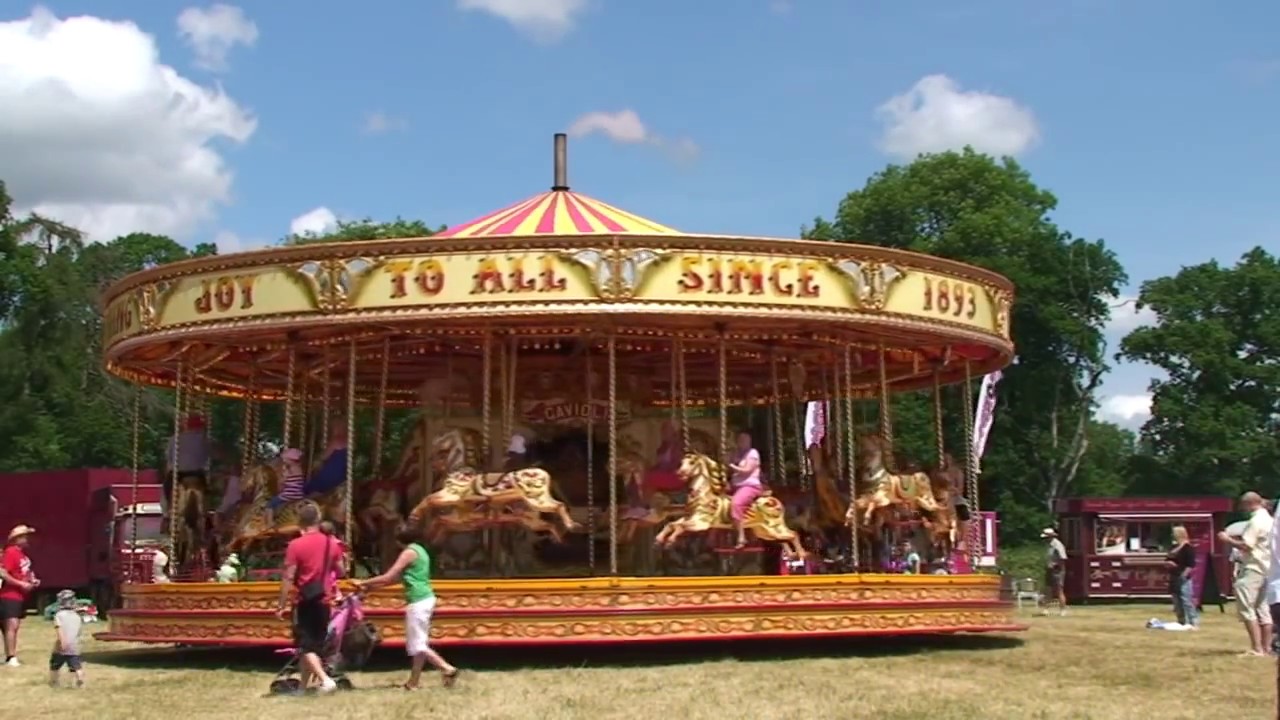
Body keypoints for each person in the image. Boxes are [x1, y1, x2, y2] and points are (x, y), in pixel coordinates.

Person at [355, 523, 459, 690]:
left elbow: (388, 575)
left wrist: (363, 582)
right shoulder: (420, 550)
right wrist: (371, 587)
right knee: (419, 643)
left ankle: (447, 668)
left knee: (417, 645)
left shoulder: (409, 552)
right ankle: (413, 682)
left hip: (418, 600)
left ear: (399, 540)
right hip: (425, 597)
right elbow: (394, 580)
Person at [275, 502, 343, 693]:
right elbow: (341, 570)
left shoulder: (295, 545)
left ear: (300, 521)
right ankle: (303, 688)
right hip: (324, 600)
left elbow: (288, 576)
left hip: (304, 600)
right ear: (318, 519)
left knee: (304, 646)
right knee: (313, 646)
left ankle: (325, 680)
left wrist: (281, 604)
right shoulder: (331, 543)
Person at [1218, 491, 1274, 656]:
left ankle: (1257, 648)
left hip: (1253, 567)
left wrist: (1227, 539)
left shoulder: (1255, 521)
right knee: (1263, 609)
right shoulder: (1271, 521)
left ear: (1249, 504)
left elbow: (1247, 545)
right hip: (1267, 567)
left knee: (1246, 607)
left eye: (1243, 505)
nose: (1242, 509)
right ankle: (1266, 647)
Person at [1, 525, 39, 667]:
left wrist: (32, 580)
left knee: (12, 626)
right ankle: (11, 657)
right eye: (25, 536)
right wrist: (20, 584)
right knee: (12, 624)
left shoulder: (22, 555)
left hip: (19, 595)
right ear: (17, 538)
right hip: (9, 594)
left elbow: (23, 572)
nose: (27, 539)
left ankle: (10, 656)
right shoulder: (11, 552)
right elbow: (2, 572)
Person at [163, 413, 210, 519]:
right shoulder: (204, 440)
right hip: (197, 474)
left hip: (178, 475)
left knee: (166, 490)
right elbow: (207, 457)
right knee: (206, 492)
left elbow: (169, 460)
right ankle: (206, 516)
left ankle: (167, 513)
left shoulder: (174, 439)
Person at [726, 431, 763, 550]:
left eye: (745, 440)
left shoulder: (752, 453)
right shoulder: (736, 454)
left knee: (735, 504)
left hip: (749, 486)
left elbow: (747, 470)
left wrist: (731, 465)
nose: (743, 442)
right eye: (740, 440)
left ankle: (741, 537)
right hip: (735, 486)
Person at [49, 590, 84, 688]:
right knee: (76, 665)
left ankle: (54, 682)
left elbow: (59, 629)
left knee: (54, 665)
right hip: (75, 645)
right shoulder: (77, 616)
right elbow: (79, 632)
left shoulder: (59, 615)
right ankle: (80, 679)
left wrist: (62, 642)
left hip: (62, 645)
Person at [1165, 525, 1198, 629]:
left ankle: (1192, 622)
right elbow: (1168, 557)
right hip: (1173, 576)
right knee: (1176, 601)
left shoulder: (1188, 548)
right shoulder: (1173, 547)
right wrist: (1168, 564)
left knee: (1186, 600)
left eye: (1173, 533)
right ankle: (1181, 621)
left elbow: (1191, 564)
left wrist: (1184, 575)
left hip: (1183, 577)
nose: (1172, 535)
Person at [1038, 528, 1068, 616]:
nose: (1045, 539)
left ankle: (1063, 610)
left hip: (1057, 570)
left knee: (1059, 590)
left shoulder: (1058, 545)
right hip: (1049, 569)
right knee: (1048, 590)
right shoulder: (1048, 545)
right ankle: (1046, 609)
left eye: (1046, 537)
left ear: (1050, 536)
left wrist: (1055, 565)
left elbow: (1063, 558)